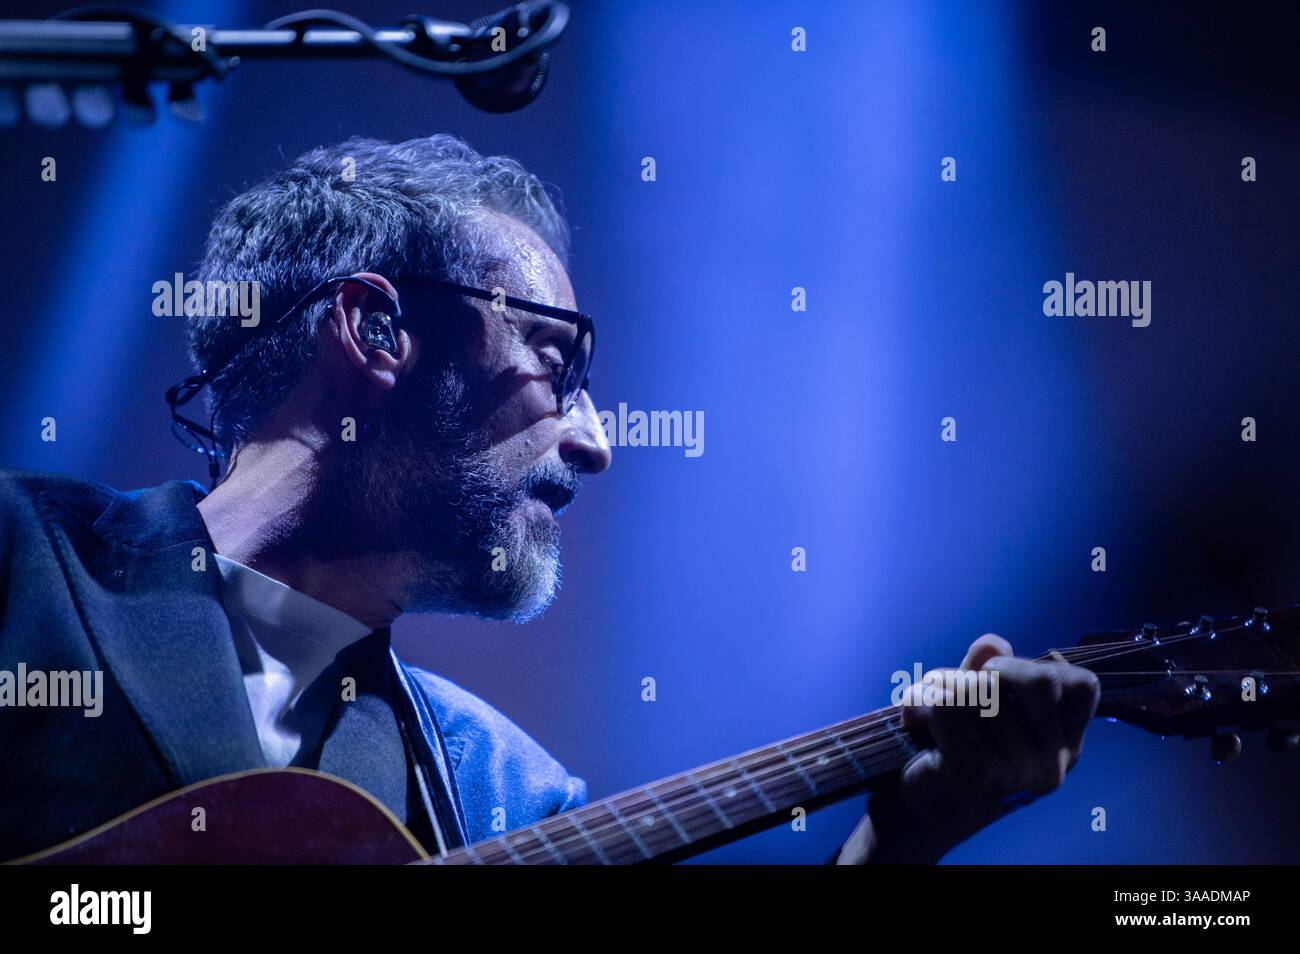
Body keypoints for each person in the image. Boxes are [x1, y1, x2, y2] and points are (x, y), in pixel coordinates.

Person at [0, 134, 1099, 863]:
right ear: (376, 330)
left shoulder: (498, 788)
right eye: (555, 360)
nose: (598, 442)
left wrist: (902, 839)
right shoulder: (20, 559)